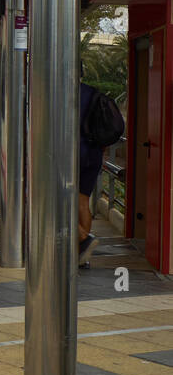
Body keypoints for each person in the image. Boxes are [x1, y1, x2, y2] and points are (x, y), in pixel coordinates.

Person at [78, 81, 104, 267]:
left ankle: (83, 238)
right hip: (94, 153)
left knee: (58, 200)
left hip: (72, 154)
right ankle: (82, 255)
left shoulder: (60, 93)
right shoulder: (93, 92)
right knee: (82, 201)